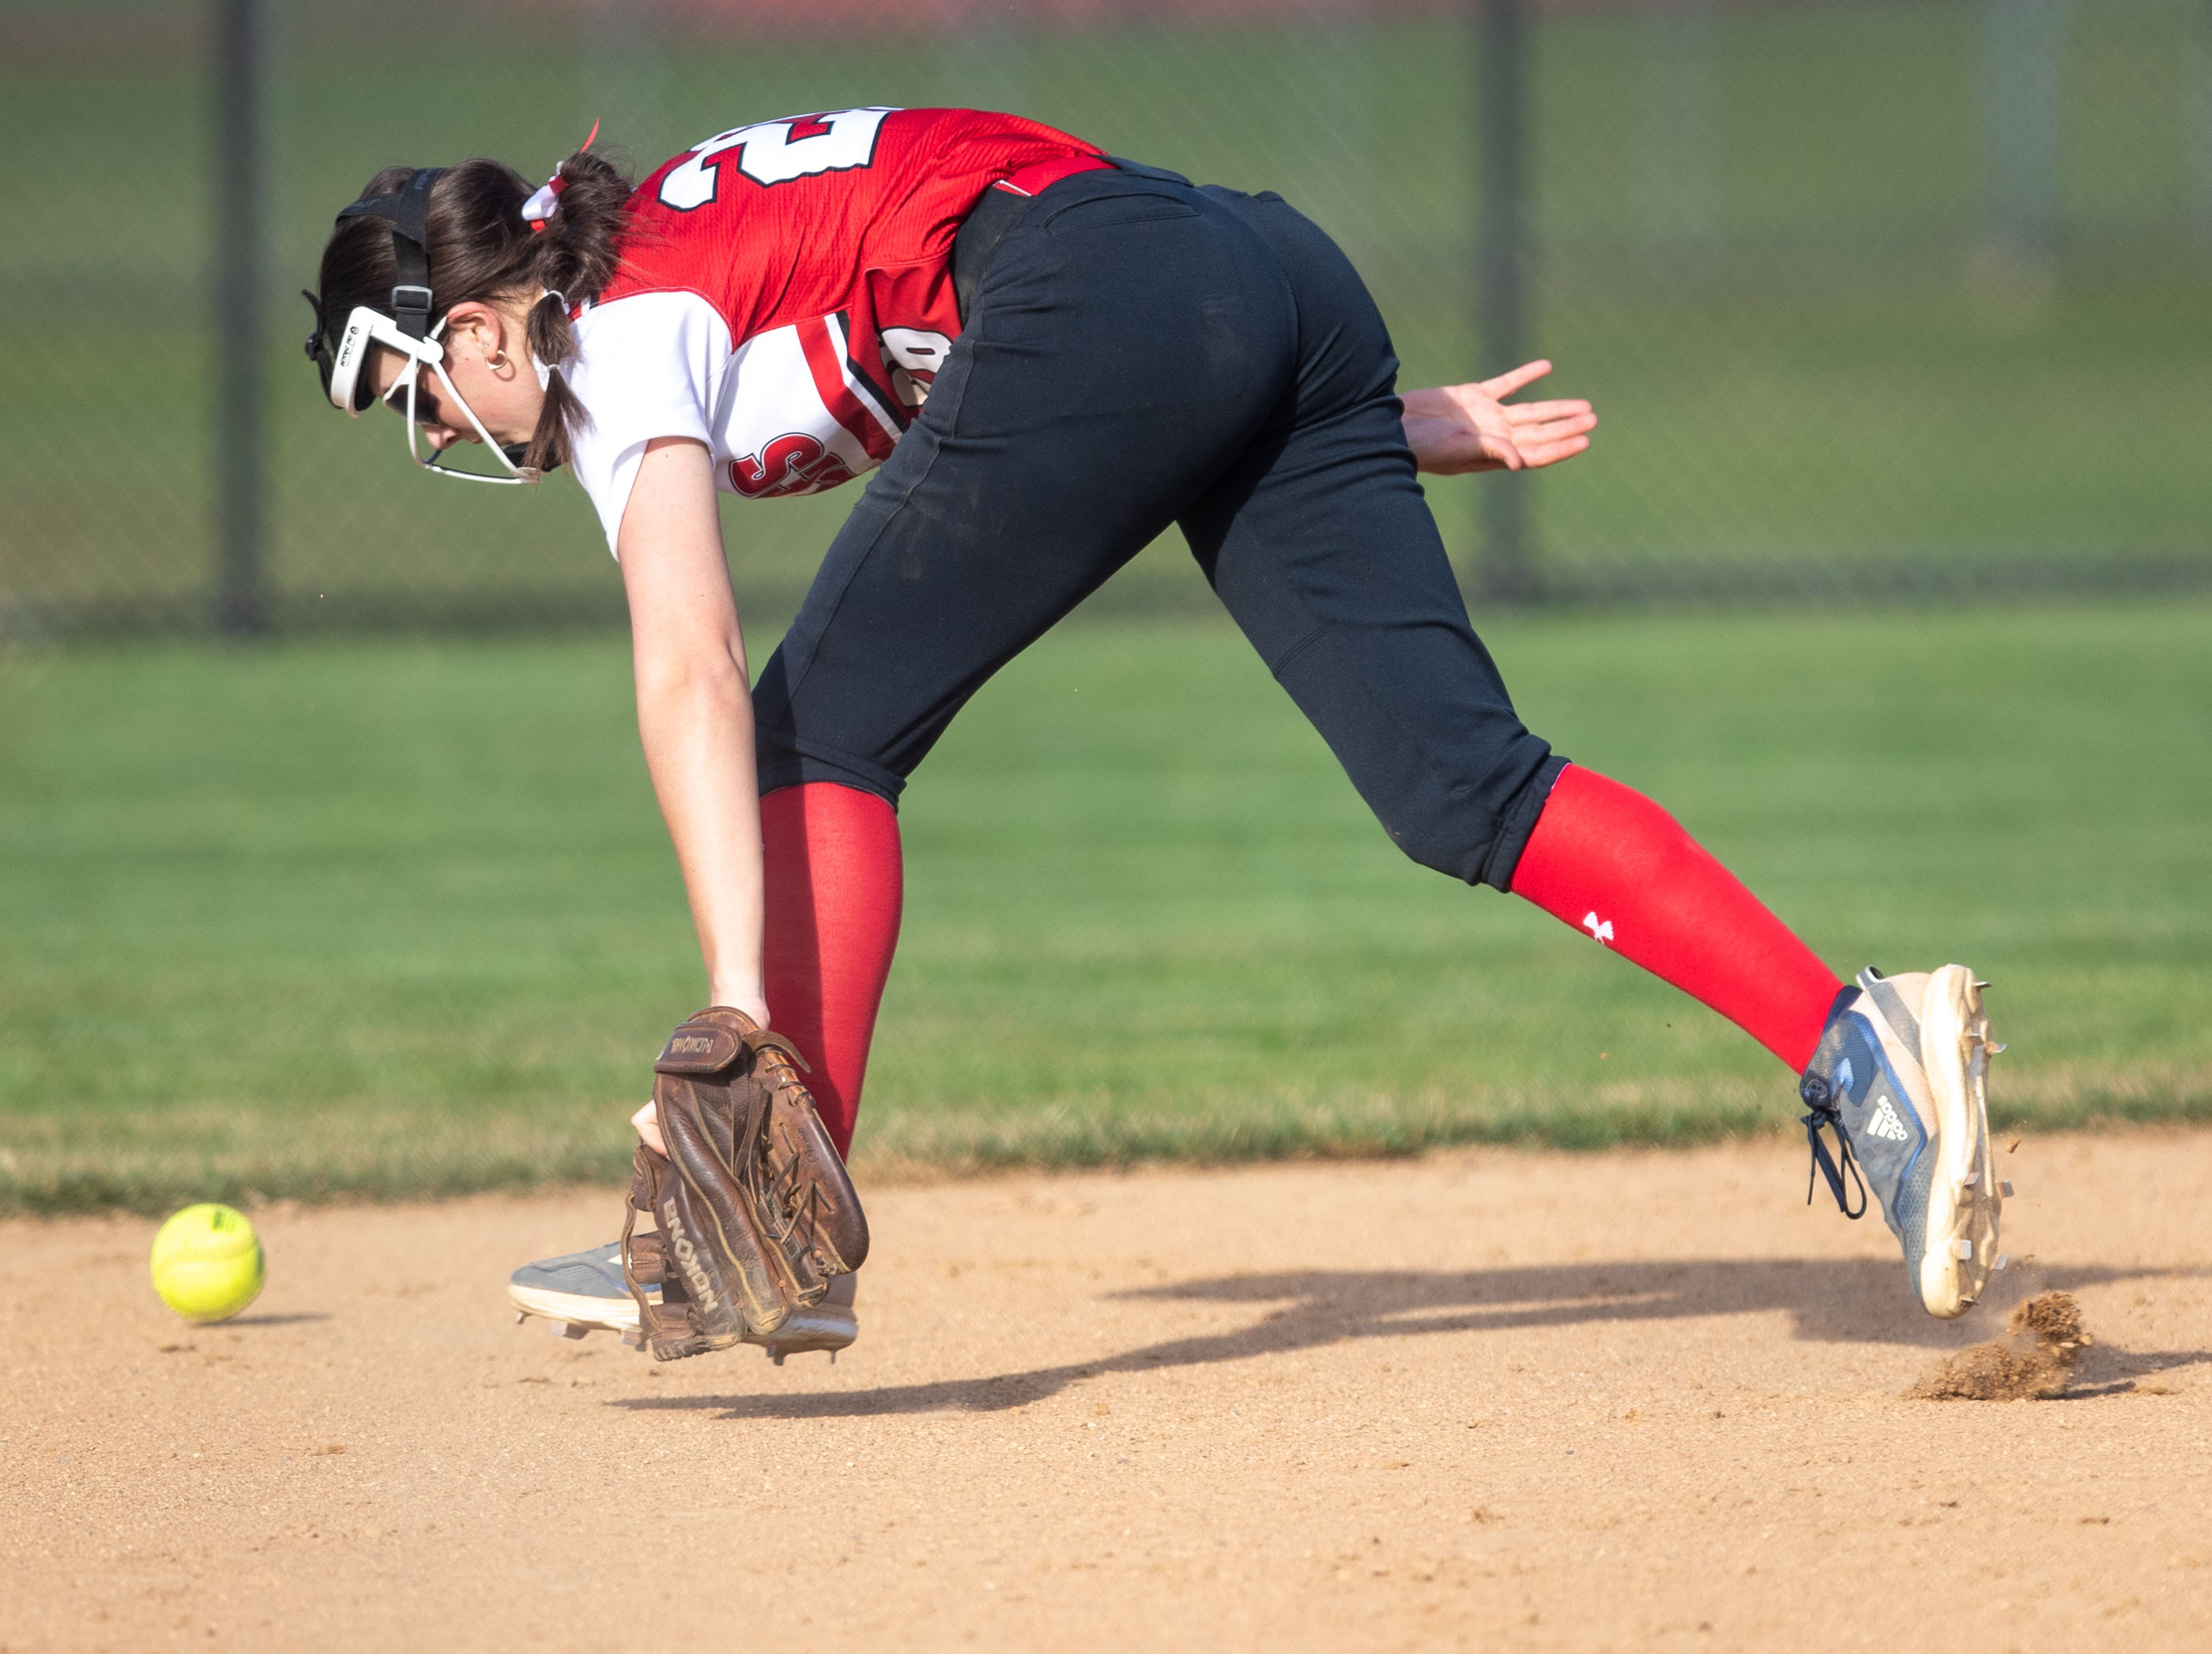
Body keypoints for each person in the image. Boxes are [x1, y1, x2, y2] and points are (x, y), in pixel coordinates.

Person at [303, 107, 2004, 1363]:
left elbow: (689, 663)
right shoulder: (661, 241)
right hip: (1249, 272)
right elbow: (1097, 265)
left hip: (1117, 300)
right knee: (1454, 787)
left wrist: (740, 1007)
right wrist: (1351, 418)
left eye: (418, 394)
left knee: (810, 730)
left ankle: (762, 1207)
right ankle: (1861, 1040)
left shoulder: (615, 327)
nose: (442, 426)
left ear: (470, 325)